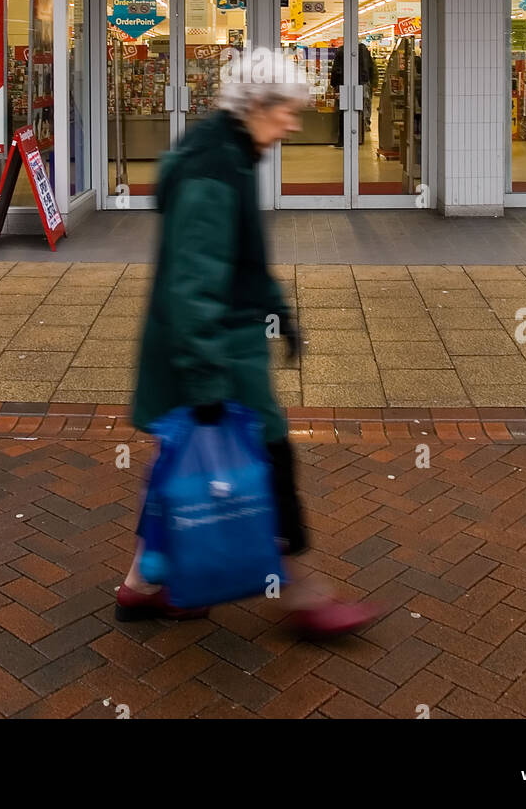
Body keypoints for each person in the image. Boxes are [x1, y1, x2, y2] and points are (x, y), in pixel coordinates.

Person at [116, 46, 382, 637]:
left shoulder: (227, 153)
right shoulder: (215, 169)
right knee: (266, 459)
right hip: (217, 353)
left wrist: (279, 313)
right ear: (259, 106)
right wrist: (208, 381)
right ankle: (299, 593)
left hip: (212, 346)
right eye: (288, 110)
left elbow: (237, 260)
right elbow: (196, 283)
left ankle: (142, 585)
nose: (293, 122)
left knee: (183, 466)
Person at [330, 42, 376, 147]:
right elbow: (371, 67)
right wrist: (369, 81)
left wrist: (334, 84)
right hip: (360, 85)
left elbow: (336, 69)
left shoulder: (341, 50)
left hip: (344, 85)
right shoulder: (364, 50)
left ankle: (342, 140)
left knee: (344, 112)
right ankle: (356, 137)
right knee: (357, 110)